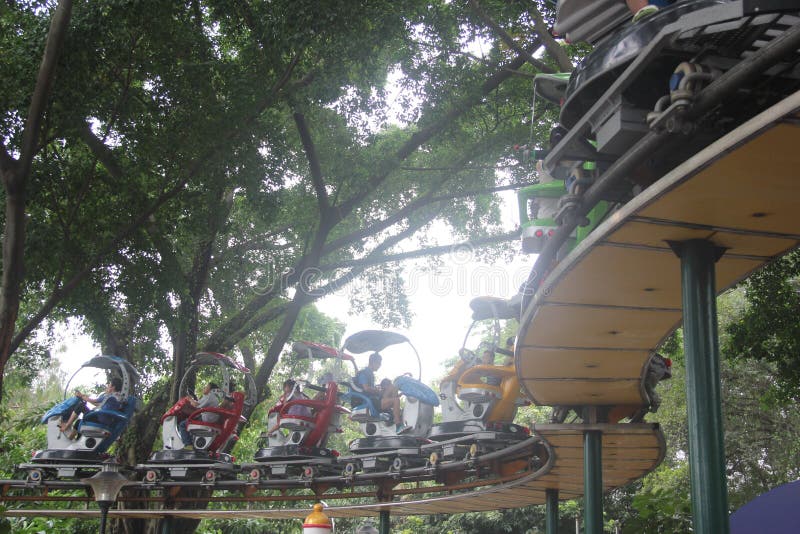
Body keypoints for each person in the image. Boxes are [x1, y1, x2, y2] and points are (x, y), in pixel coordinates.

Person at [354, 352, 410, 434]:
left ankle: (395, 413)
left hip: (376, 399)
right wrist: (378, 391)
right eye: (379, 363)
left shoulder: (370, 374)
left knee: (394, 386)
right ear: (373, 362)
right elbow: (366, 388)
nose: (380, 365)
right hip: (371, 402)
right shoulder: (363, 373)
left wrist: (379, 390)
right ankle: (398, 426)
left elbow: (371, 388)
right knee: (396, 400)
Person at [60, 377, 124, 439]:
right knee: (80, 420)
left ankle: (67, 426)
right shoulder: (118, 397)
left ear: (113, 387)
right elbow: (97, 403)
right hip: (104, 419)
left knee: (81, 407)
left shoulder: (110, 396)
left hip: (100, 419)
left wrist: (81, 396)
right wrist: (84, 397)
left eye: (109, 385)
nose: (107, 387)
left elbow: (93, 400)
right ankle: (71, 436)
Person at [178, 382, 222, 447]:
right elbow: (199, 403)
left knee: (183, 425)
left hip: (206, 419)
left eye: (206, 387)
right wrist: (192, 400)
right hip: (211, 419)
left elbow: (196, 405)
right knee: (193, 418)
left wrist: (190, 399)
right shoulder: (214, 398)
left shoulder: (209, 396)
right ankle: (192, 442)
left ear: (211, 390)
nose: (204, 388)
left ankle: (188, 445)